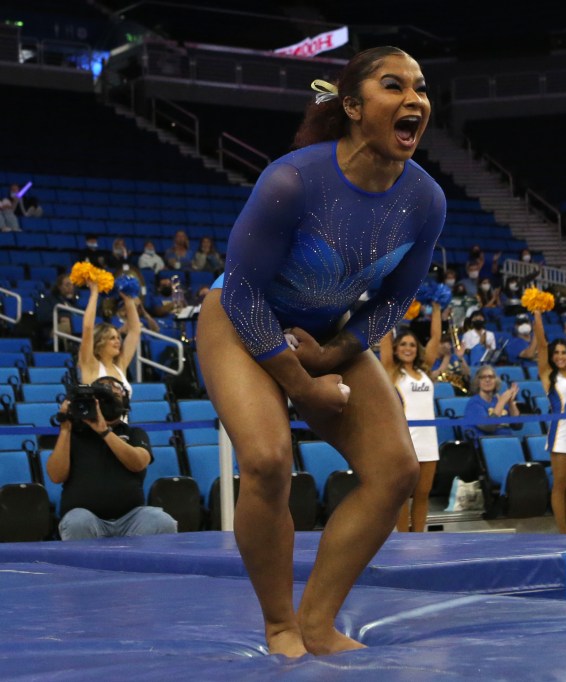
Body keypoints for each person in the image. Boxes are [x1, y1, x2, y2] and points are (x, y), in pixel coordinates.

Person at [194, 46, 444, 657]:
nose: (414, 99)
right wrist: (302, 386)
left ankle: (316, 621)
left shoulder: (426, 201)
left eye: (420, 88)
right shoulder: (291, 180)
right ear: (354, 107)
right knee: (268, 461)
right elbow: (246, 292)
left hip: (327, 334)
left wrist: (334, 354)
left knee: (396, 472)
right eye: (394, 86)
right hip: (238, 320)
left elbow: (394, 301)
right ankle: (279, 625)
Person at [46, 376, 177, 540]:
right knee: (77, 522)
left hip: (131, 518)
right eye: (102, 399)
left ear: (125, 403)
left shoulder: (134, 433)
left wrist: (104, 432)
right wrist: (65, 429)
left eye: (114, 397)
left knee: (163, 522)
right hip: (86, 518)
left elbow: (139, 463)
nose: (107, 403)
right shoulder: (75, 435)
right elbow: (56, 476)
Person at [379, 303, 443, 533]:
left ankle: (420, 537)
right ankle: (404, 540)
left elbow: (436, 337)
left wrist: (436, 309)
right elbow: (385, 339)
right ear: (396, 349)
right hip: (406, 441)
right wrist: (391, 305)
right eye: (404, 344)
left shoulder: (425, 370)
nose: (408, 348)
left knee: (423, 493)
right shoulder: (391, 370)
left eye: (412, 345)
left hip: (428, 439)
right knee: (404, 495)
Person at [534, 311, 566, 534]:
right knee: (560, 486)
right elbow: (541, 346)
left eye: (565, 352)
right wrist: (537, 315)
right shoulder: (548, 374)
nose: (561, 356)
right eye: (557, 352)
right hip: (560, 434)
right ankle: (563, 534)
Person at [78, 280, 143, 396]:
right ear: (99, 343)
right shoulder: (90, 365)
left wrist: (128, 300)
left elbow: (135, 331)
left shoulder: (120, 365)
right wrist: (94, 293)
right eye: (112, 338)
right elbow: (88, 328)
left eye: (118, 337)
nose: (118, 341)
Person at [464, 364, 521, 439]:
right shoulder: (474, 403)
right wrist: (501, 402)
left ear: (496, 381)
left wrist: (510, 403)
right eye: (483, 377)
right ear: (477, 382)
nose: (487, 380)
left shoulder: (498, 400)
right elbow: (489, 427)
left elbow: (517, 425)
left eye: (491, 377)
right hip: (486, 446)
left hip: (508, 443)